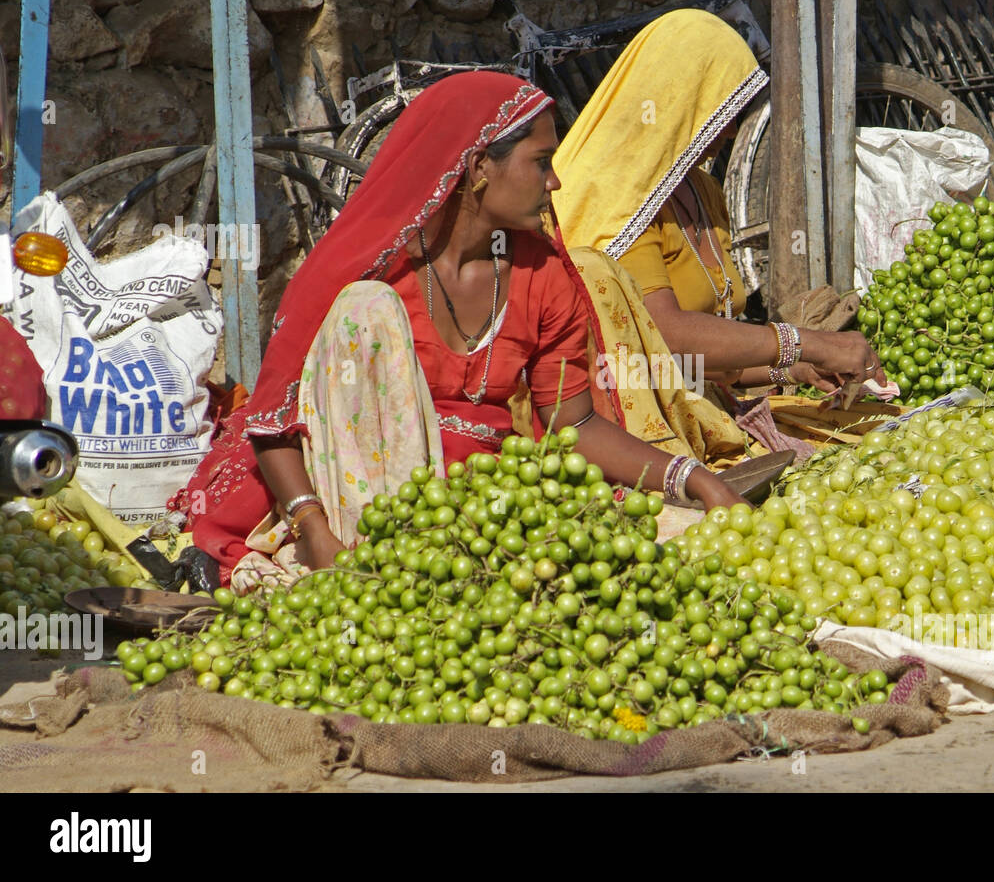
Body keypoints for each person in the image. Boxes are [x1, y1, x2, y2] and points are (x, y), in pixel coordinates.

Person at [182, 71, 745, 593]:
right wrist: (313, 527)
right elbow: (274, 419)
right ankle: (380, 557)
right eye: (541, 161)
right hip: (350, 494)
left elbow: (575, 423)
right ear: (479, 168)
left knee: (662, 546)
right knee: (365, 308)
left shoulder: (540, 275)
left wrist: (691, 478)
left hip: (474, 496)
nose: (555, 181)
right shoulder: (370, 273)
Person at [551, 9, 887, 422]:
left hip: (704, 407)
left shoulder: (704, 192)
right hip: (632, 422)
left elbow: (698, 365)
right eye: (721, 108)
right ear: (680, 99)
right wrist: (805, 343)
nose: (729, 130)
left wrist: (791, 367)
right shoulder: (620, 204)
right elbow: (664, 342)